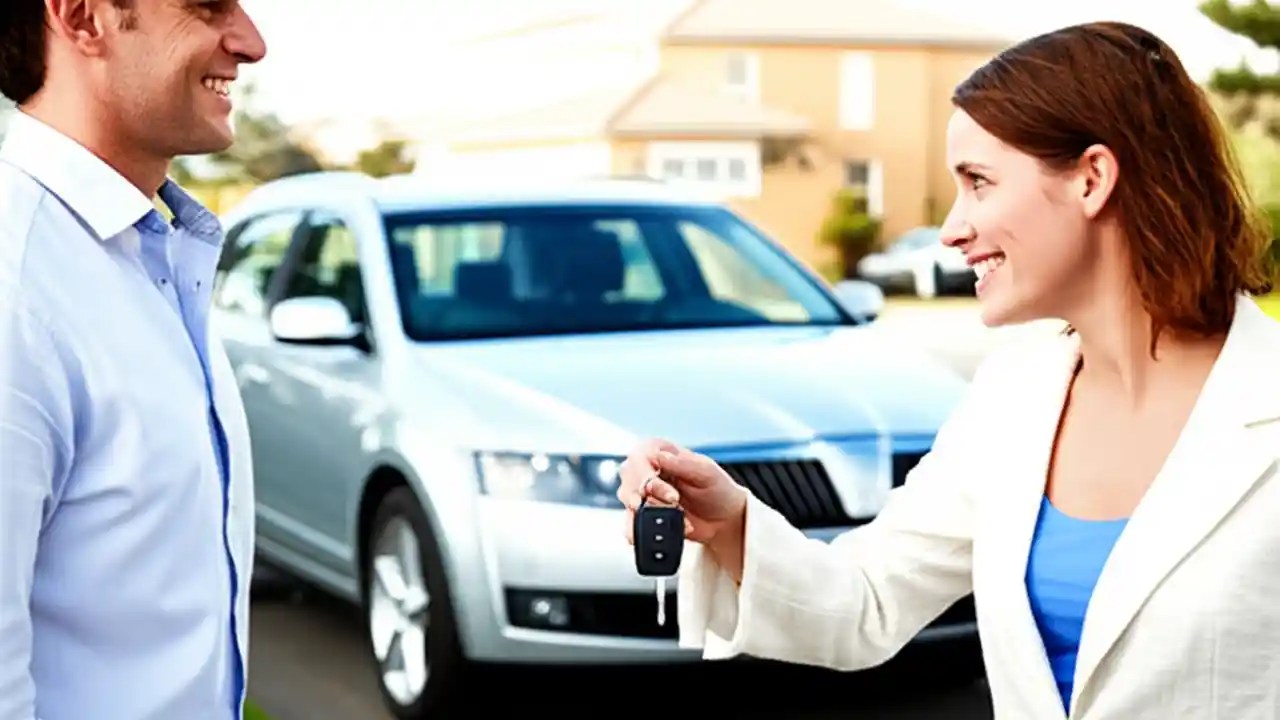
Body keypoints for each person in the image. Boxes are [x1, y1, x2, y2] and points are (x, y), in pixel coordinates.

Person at [619, 21, 1280, 720]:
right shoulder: (1012, 398)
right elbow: (867, 600)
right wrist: (730, 523)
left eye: (979, 183)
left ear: (1092, 179)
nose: (951, 228)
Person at [0, 2, 266, 719]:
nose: (251, 43)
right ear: (85, 17)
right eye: (206, 6)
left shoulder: (149, 253)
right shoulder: (16, 284)